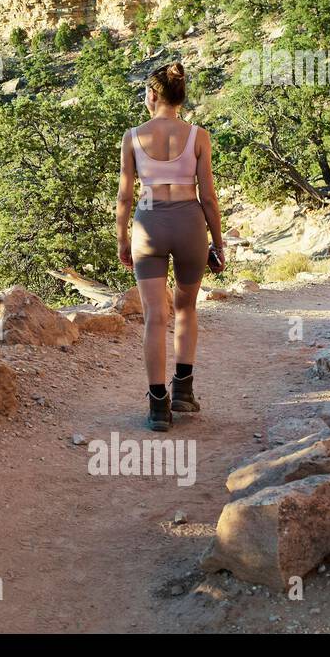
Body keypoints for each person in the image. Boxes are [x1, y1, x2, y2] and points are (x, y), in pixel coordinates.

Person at [115, 62, 226, 432]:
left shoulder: (132, 136)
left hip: (148, 224)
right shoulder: (199, 136)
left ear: (152, 95)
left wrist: (122, 239)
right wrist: (219, 243)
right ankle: (183, 389)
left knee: (154, 317)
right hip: (189, 223)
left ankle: (158, 407)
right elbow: (208, 197)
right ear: (180, 96)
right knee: (185, 309)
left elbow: (125, 196)